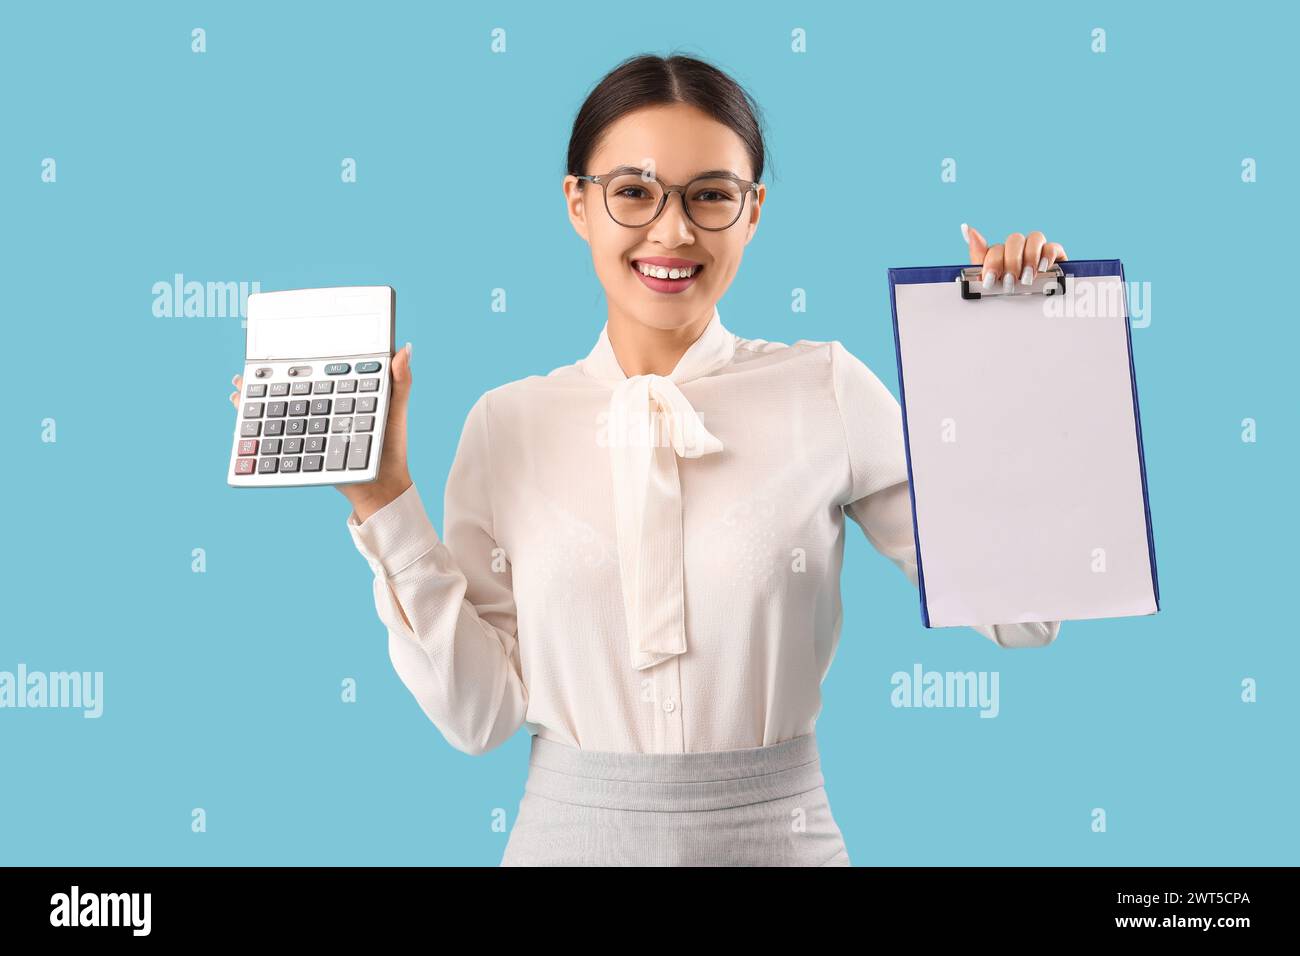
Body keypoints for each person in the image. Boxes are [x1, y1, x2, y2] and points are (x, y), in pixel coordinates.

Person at [227, 53, 1068, 866]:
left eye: (711, 196)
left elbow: (1023, 616)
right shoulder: (507, 423)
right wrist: (383, 498)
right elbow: (479, 717)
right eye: (633, 192)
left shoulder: (827, 390)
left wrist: (1003, 355)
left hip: (780, 841)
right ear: (578, 204)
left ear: (754, 210)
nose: (673, 230)